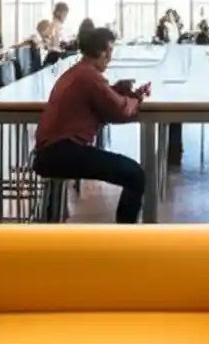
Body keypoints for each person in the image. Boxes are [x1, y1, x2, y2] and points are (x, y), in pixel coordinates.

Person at [32, 27, 151, 223]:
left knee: (130, 173)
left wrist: (117, 90)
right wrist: (138, 98)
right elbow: (120, 110)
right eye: (110, 51)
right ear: (100, 52)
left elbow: (101, 99)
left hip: (50, 152)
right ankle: (127, 238)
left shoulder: (78, 72)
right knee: (135, 175)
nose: (110, 57)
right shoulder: (89, 77)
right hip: (64, 153)